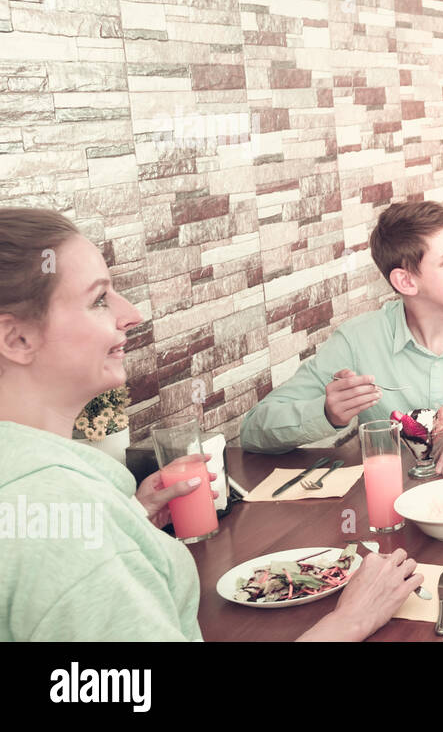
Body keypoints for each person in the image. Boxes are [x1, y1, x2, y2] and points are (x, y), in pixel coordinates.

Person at [0, 208, 421, 641]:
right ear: (17, 340)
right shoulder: (72, 523)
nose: (131, 315)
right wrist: (350, 620)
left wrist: (130, 521)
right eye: (99, 299)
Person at [240, 201, 443, 476]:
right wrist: (325, 413)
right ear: (406, 281)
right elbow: (254, 430)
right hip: (391, 515)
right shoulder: (356, 342)